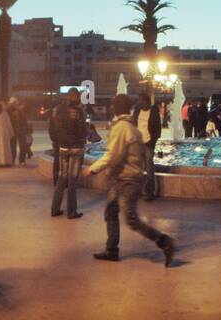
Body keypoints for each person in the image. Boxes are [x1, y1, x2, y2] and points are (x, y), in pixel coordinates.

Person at [84, 94, 175, 265]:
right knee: (111, 212)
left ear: (115, 108)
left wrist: (93, 168)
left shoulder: (122, 128)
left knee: (131, 219)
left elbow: (113, 155)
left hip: (127, 180)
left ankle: (165, 242)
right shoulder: (132, 128)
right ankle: (111, 250)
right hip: (123, 178)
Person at [50, 89, 88, 219]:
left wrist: (58, 142)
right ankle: (71, 212)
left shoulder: (56, 110)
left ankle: (55, 209)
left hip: (62, 147)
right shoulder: (78, 111)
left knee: (62, 178)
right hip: (76, 148)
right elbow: (83, 131)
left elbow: (52, 130)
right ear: (75, 96)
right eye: (78, 96)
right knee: (72, 180)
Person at [135, 95, 162, 201]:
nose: (140, 103)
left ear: (147, 102)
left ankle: (149, 192)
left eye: (141, 101)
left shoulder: (154, 112)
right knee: (139, 167)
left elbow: (157, 128)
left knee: (149, 167)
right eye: (139, 101)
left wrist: (153, 141)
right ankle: (139, 190)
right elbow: (134, 124)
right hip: (138, 143)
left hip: (149, 143)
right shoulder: (137, 111)